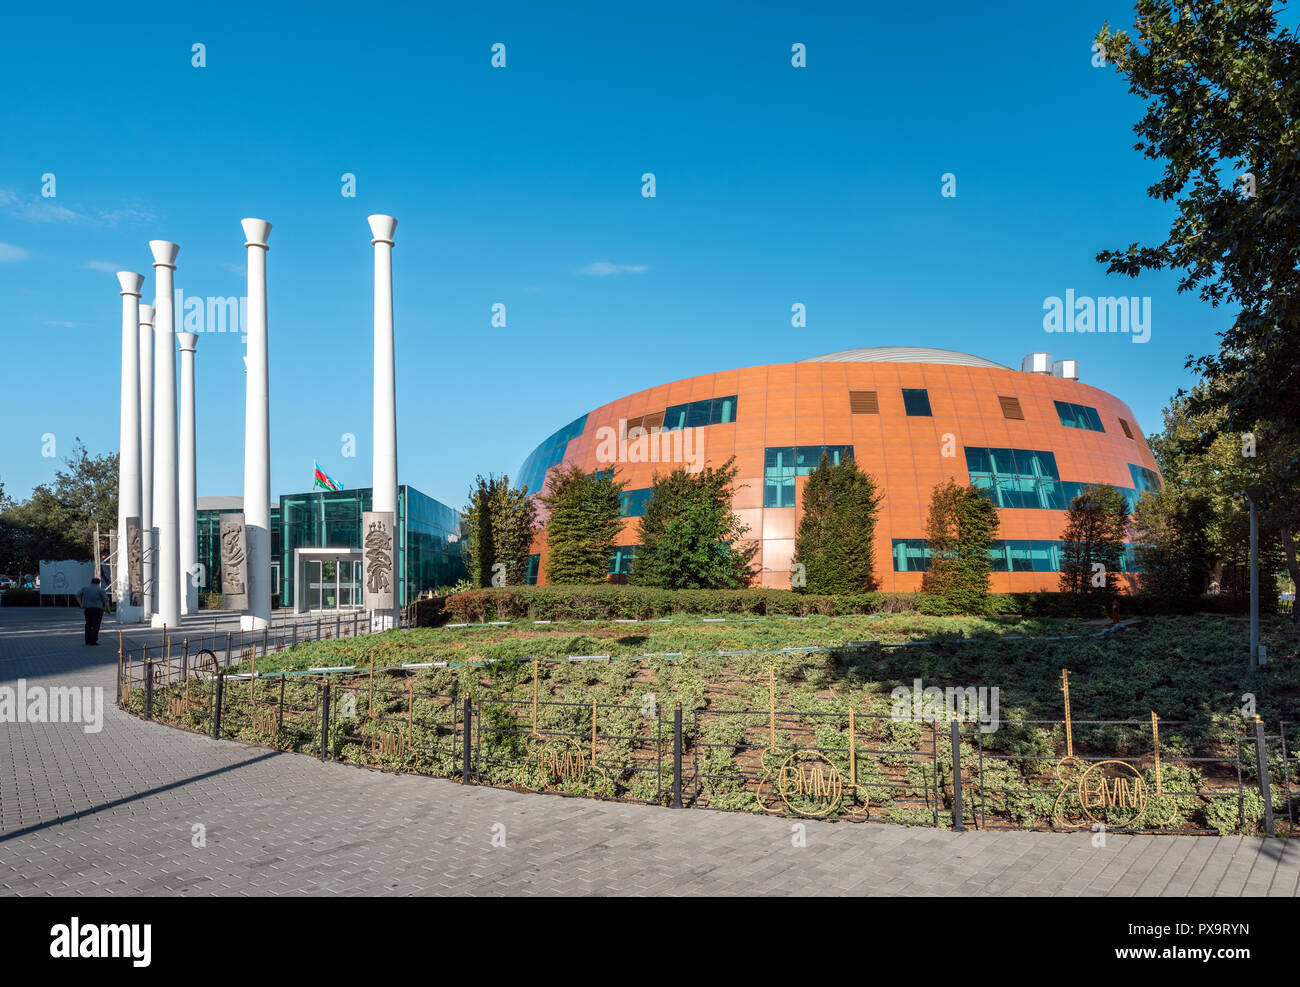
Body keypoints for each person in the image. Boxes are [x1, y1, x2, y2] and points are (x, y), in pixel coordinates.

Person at [77, 577, 110, 645]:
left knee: (88, 624)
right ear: (98, 583)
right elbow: (106, 601)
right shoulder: (100, 590)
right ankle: (93, 641)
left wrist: (81, 604)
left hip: (87, 609)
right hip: (97, 610)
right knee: (96, 625)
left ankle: (87, 640)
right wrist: (108, 609)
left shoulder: (85, 588)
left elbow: (77, 596)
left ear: (91, 582)